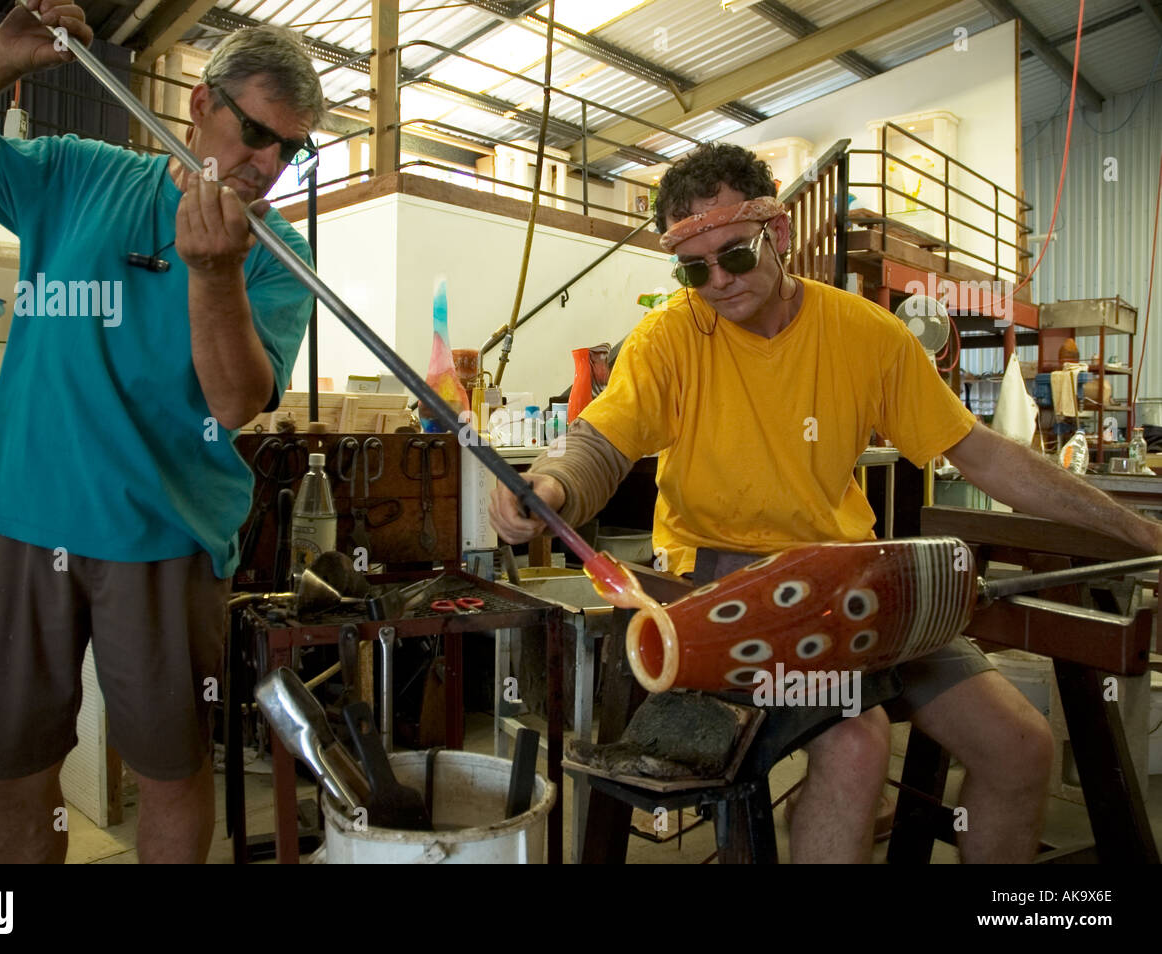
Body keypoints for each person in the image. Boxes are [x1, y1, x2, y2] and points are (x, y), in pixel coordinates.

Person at [491, 142, 1162, 863]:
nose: (717, 281)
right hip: (723, 579)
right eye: (695, 268)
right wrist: (550, 486)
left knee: (1019, 746)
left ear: (776, 235)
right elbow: (603, 442)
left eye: (735, 256)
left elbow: (983, 452)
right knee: (854, 737)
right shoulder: (669, 337)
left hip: (854, 579)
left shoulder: (867, 335)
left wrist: (1135, 531)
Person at [0, 0, 323, 863]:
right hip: (21, 519)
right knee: (6, 767)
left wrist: (214, 275)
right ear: (200, 103)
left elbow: (235, 403)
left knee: (169, 766)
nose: (268, 163)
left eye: (289, 149)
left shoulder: (277, 258)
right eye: (255, 133)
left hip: (164, 537)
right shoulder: (76, 174)